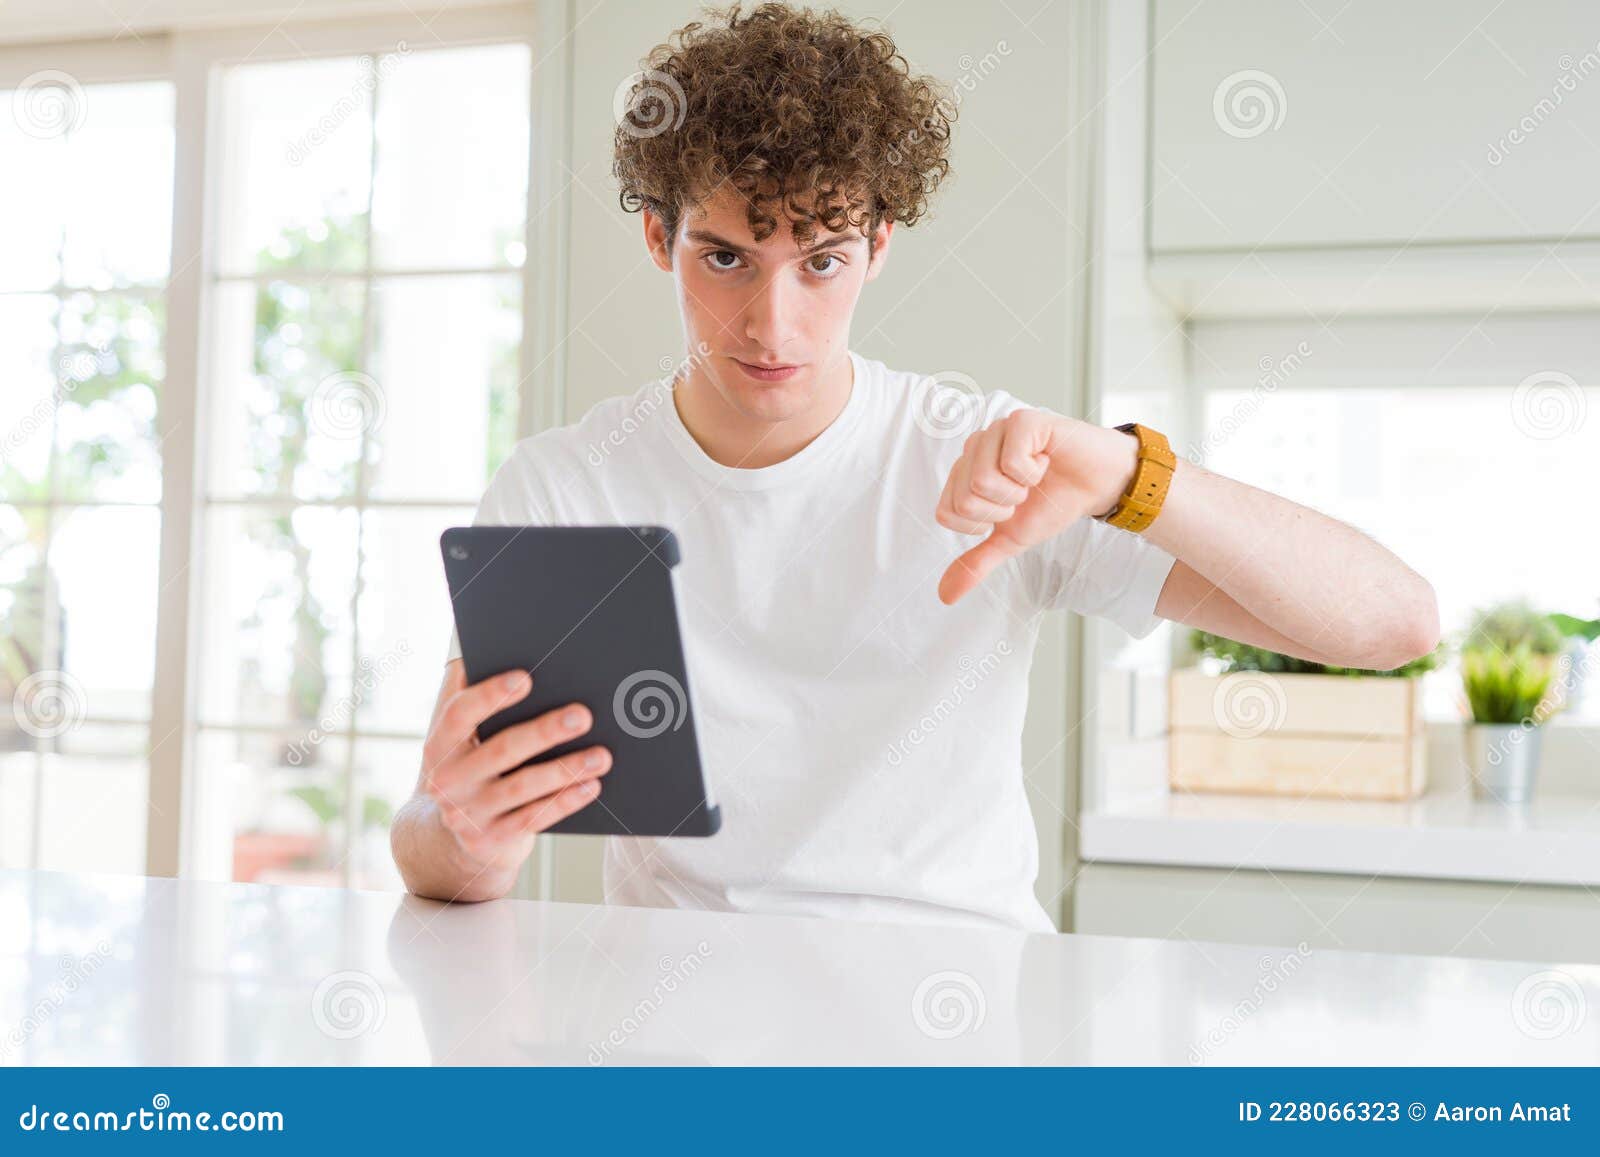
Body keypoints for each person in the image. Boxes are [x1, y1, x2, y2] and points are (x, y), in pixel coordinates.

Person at [391, 3, 1438, 933]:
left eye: (822, 262)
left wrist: (1128, 474)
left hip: (961, 1011)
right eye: (726, 259)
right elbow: (434, 838)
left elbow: (1395, 625)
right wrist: (469, 837)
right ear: (659, 238)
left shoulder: (995, 458)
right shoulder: (566, 484)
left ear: (879, 246)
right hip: (686, 1024)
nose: (771, 322)